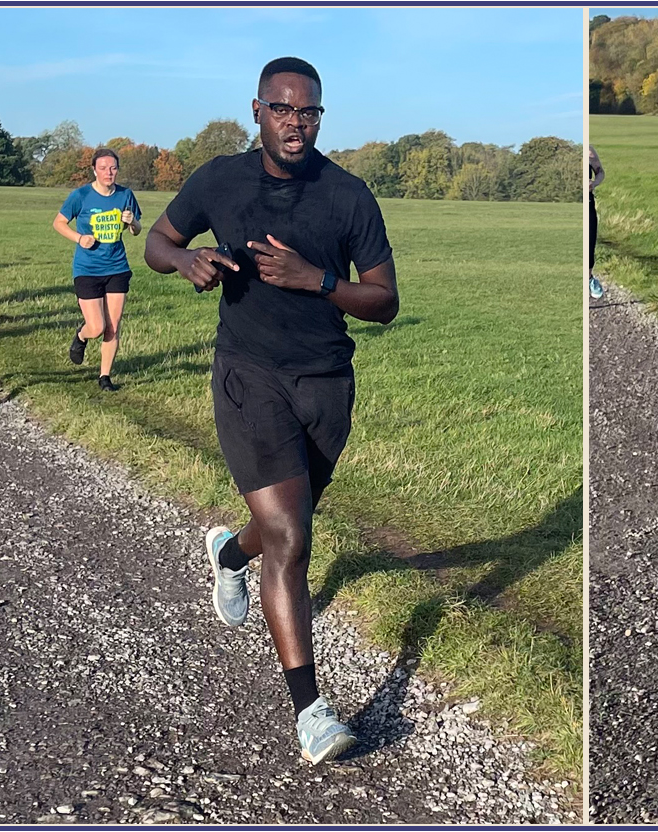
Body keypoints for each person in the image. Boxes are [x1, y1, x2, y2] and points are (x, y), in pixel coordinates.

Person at [143, 57, 397, 765]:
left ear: (321, 116)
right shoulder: (221, 179)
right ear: (256, 110)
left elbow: (385, 301)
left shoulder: (347, 196)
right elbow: (156, 241)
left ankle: (228, 554)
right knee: (290, 535)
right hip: (247, 374)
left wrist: (318, 281)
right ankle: (312, 712)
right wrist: (184, 261)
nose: (296, 122)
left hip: (326, 384)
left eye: (309, 112)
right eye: (283, 109)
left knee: (284, 522)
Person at [53, 148, 142, 391]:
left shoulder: (125, 195)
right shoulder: (80, 196)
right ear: (94, 170)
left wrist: (132, 222)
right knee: (97, 326)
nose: (108, 172)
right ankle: (81, 337)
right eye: (103, 168)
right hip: (87, 269)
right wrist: (79, 238)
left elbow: (137, 229)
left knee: (113, 325)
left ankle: (105, 377)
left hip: (117, 266)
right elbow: (58, 223)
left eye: (112, 168)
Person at [588, 143, 604, 296]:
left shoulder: (588, 150)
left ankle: (589, 279)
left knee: (589, 242)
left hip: (587, 202)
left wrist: (593, 183)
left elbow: (600, 173)